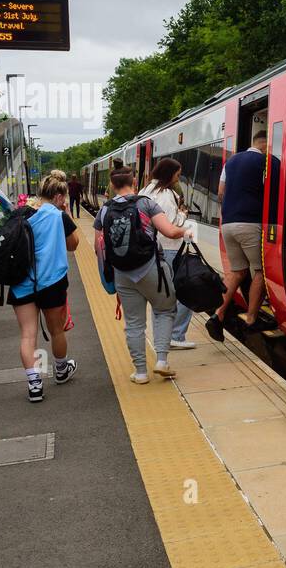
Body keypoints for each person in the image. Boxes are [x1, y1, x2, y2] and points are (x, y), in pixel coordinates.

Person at [94, 168, 191, 383]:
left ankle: (140, 372)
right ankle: (162, 361)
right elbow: (169, 231)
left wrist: (108, 276)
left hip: (123, 274)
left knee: (134, 323)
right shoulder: (146, 203)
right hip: (151, 269)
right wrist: (185, 230)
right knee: (165, 310)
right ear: (134, 181)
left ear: (111, 185)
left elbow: (98, 247)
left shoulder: (104, 210)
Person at [10, 170, 80, 402]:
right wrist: (66, 215)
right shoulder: (58, 216)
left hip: (21, 283)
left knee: (28, 336)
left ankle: (35, 385)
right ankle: (61, 370)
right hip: (52, 282)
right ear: (59, 197)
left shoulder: (22, 212)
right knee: (56, 330)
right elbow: (74, 245)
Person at [206, 129, 268, 341]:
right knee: (260, 271)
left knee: (237, 271)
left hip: (228, 224)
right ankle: (251, 318)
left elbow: (220, 192)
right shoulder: (265, 162)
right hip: (250, 223)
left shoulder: (230, 162)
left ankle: (217, 315)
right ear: (266, 144)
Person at [141, 157, 196, 350]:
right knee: (184, 293)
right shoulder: (165, 195)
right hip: (169, 249)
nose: (178, 179)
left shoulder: (145, 190)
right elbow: (171, 225)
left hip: (151, 249)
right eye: (177, 175)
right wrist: (183, 214)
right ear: (169, 173)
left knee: (160, 296)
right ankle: (175, 335)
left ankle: (162, 337)